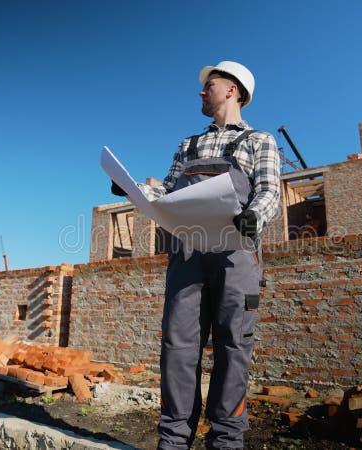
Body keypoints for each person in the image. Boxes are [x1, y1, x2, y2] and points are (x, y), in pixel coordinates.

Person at [111, 61, 280, 449]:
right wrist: (131, 188)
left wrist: (253, 218)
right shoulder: (187, 145)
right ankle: (173, 440)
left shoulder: (260, 141)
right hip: (188, 257)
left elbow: (269, 191)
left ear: (232, 90)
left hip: (236, 256)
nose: (202, 91)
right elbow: (169, 196)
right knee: (178, 348)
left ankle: (226, 441)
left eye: (210, 85)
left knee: (234, 347)